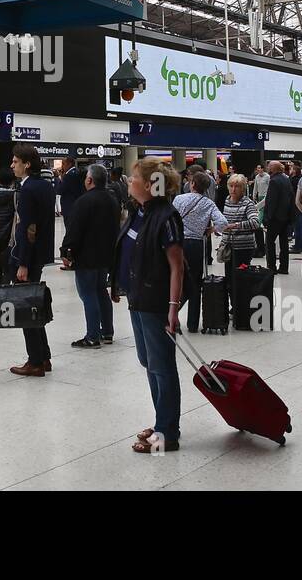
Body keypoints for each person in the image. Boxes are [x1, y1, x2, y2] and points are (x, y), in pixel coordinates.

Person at [113, 158, 185, 454]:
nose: (129, 181)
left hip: (156, 303)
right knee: (149, 362)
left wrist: (173, 307)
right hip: (137, 299)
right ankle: (161, 422)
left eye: (133, 177)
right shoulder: (139, 213)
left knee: (162, 367)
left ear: (150, 184)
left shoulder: (166, 217)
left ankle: (168, 432)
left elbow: (177, 268)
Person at [61, 164, 121, 347]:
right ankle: (107, 331)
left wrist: (66, 250)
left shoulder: (84, 201)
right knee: (101, 291)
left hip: (86, 256)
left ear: (89, 180)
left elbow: (75, 229)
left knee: (88, 294)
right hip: (105, 255)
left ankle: (93, 336)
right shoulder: (112, 200)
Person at [8, 144, 54, 377]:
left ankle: (35, 361)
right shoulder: (45, 186)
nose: (12, 165)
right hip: (41, 254)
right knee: (35, 304)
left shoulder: (26, 190)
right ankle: (44, 356)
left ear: (26, 164)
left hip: (28, 257)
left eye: (16, 161)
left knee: (27, 310)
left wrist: (23, 262)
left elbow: (29, 228)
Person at [172, 170, 228, 333]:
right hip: (197, 244)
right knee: (195, 283)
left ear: (193, 184)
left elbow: (171, 220)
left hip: (178, 244)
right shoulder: (208, 203)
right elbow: (223, 222)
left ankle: (172, 316)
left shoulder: (178, 199)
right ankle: (192, 324)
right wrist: (211, 230)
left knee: (176, 280)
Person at [218, 173, 261, 268]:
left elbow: (255, 223)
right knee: (229, 277)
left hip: (243, 247)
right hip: (228, 245)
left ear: (242, 188)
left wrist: (235, 225)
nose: (233, 189)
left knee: (240, 278)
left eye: (237, 187)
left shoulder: (248, 203)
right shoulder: (227, 200)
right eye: (231, 186)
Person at [262, 160, 293, 274]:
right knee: (284, 243)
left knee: (270, 243)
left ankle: (271, 267)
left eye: (269, 166)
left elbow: (271, 201)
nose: (268, 168)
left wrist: (267, 217)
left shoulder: (274, 181)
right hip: (285, 217)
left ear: (274, 169)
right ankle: (284, 267)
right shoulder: (286, 179)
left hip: (275, 217)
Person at [55, 157, 84, 236]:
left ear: (70, 164)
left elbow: (60, 190)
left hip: (69, 207)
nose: (62, 166)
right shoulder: (77, 172)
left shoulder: (68, 176)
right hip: (77, 205)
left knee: (70, 231)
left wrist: (61, 177)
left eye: (63, 164)